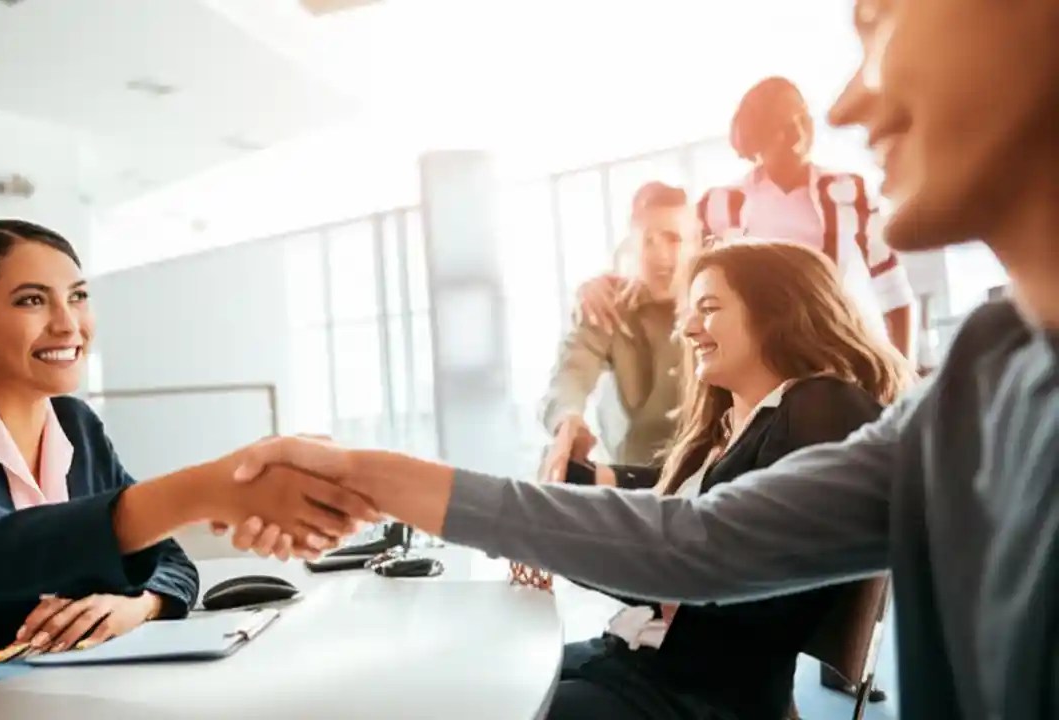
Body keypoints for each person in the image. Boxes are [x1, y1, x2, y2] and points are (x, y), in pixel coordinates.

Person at [219, 0, 1059, 715]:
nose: (844, 106)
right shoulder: (980, 378)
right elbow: (692, 540)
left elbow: (694, 564)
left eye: (879, 21)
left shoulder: (843, 401)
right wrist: (368, 473)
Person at [0, 220, 377, 719]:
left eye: (78, 295)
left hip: (37, 699)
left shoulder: (76, 426)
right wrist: (205, 489)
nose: (68, 324)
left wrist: (136, 606)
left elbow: (166, 560)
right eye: (32, 300)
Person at [548, 240, 908, 720]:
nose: (688, 326)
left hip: (697, 701)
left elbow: (730, 569)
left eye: (709, 309)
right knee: (498, 679)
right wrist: (585, 475)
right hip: (643, 667)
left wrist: (551, 536)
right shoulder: (749, 420)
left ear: (776, 312)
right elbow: (689, 495)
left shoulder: (823, 406)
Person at [578, 77, 915, 361]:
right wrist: (597, 285)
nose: (797, 134)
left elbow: (894, 292)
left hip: (841, 358)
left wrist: (905, 381)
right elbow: (667, 258)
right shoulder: (720, 205)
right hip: (764, 368)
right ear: (756, 137)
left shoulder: (848, 191)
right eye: (782, 126)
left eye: (802, 119)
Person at [539, 181, 696, 481]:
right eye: (648, 240)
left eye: (673, 239)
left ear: (697, 242)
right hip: (636, 485)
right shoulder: (608, 307)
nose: (660, 255)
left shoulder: (721, 306)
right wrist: (567, 419)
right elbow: (569, 374)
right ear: (632, 244)